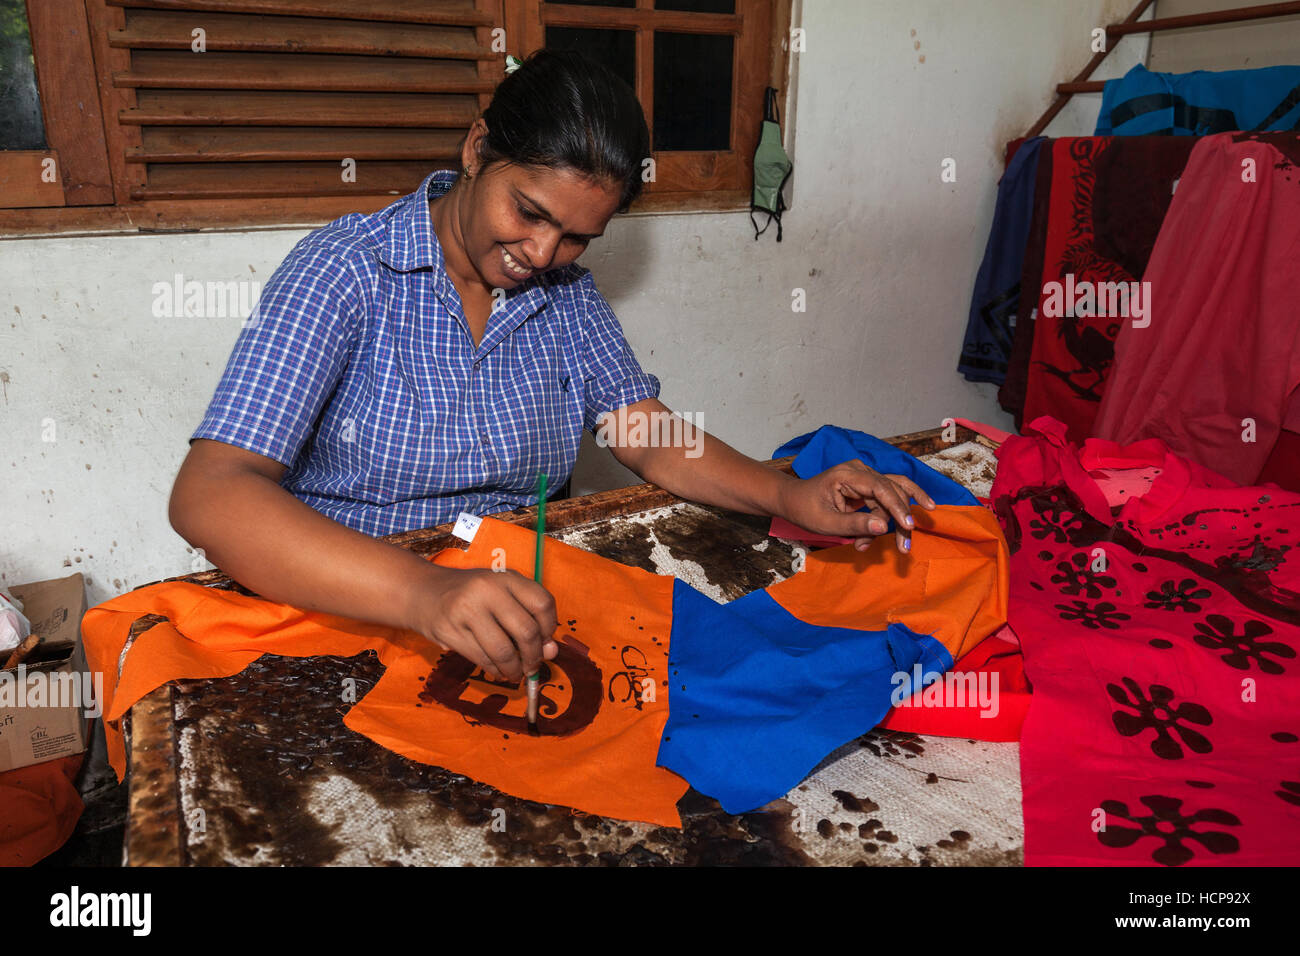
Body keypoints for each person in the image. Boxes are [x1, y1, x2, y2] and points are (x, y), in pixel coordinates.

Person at [169, 49, 935, 688]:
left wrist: (785, 489)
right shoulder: (346, 272)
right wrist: (425, 591)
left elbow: (643, 430)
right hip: (353, 600)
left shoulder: (563, 293)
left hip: (510, 598)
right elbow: (212, 494)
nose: (540, 255)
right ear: (476, 151)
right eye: (528, 212)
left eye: (575, 238)